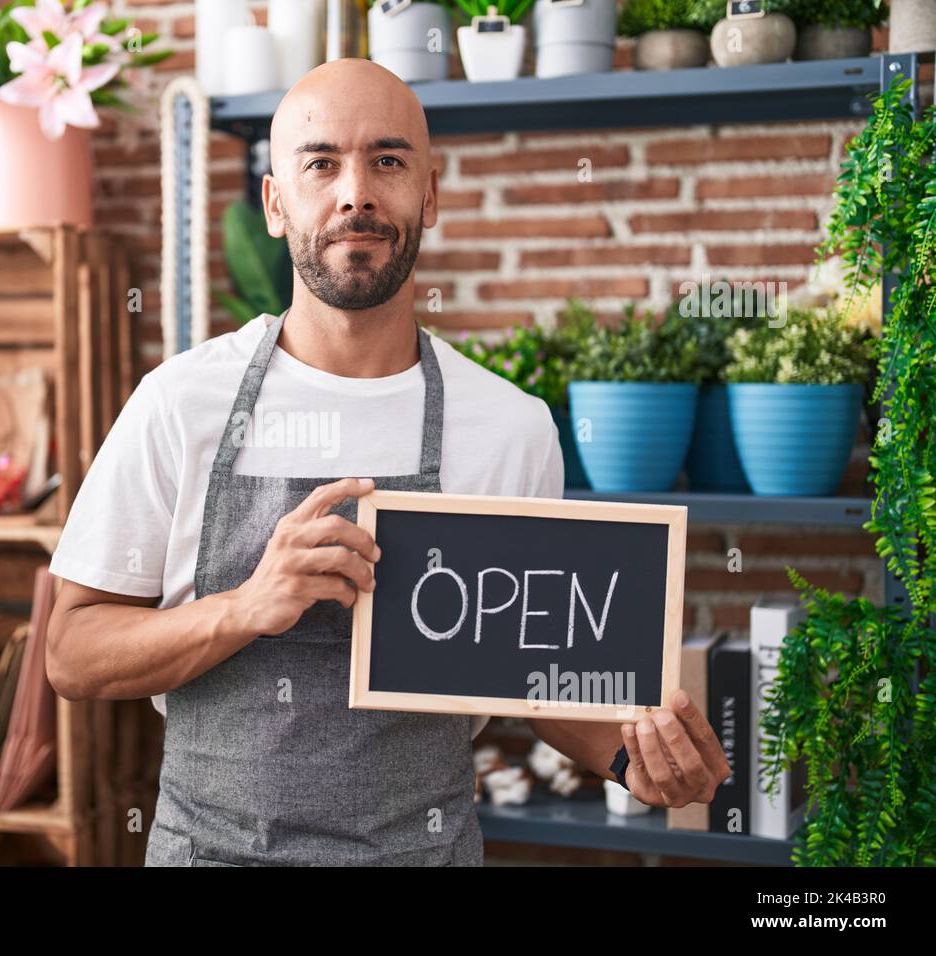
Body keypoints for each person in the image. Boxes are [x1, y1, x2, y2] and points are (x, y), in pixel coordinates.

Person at [45, 58, 731, 866]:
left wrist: (637, 757)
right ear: (275, 204)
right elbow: (70, 651)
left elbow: (538, 688)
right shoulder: (179, 402)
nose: (355, 194)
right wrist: (243, 606)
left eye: (389, 161)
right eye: (322, 162)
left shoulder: (509, 429)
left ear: (429, 196)